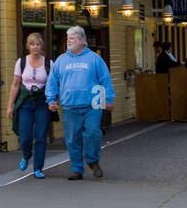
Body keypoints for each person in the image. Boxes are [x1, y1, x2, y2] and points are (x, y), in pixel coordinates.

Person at [45, 26, 115, 180]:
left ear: (82, 40)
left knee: (93, 133)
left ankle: (93, 161)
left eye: (72, 38)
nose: (68, 41)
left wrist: (108, 99)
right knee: (72, 139)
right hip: (70, 106)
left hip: (93, 104)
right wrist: (51, 99)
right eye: (67, 38)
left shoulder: (95, 58)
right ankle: (77, 169)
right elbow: (52, 82)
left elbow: (105, 79)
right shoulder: (61, 60)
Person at [7, 32, 52, 178]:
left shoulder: (48, 63)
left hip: (41, 102)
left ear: (41, 46)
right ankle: (26, 155)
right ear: (28, 46)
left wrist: (53, 101)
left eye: (38, 44)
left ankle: (38, 168)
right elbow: (15, 85)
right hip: (25, 101)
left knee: (40, 136)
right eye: (32, 44)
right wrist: (10, 106)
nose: (35, 47)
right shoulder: (21, 62)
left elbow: (53, 85)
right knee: (25, 135)